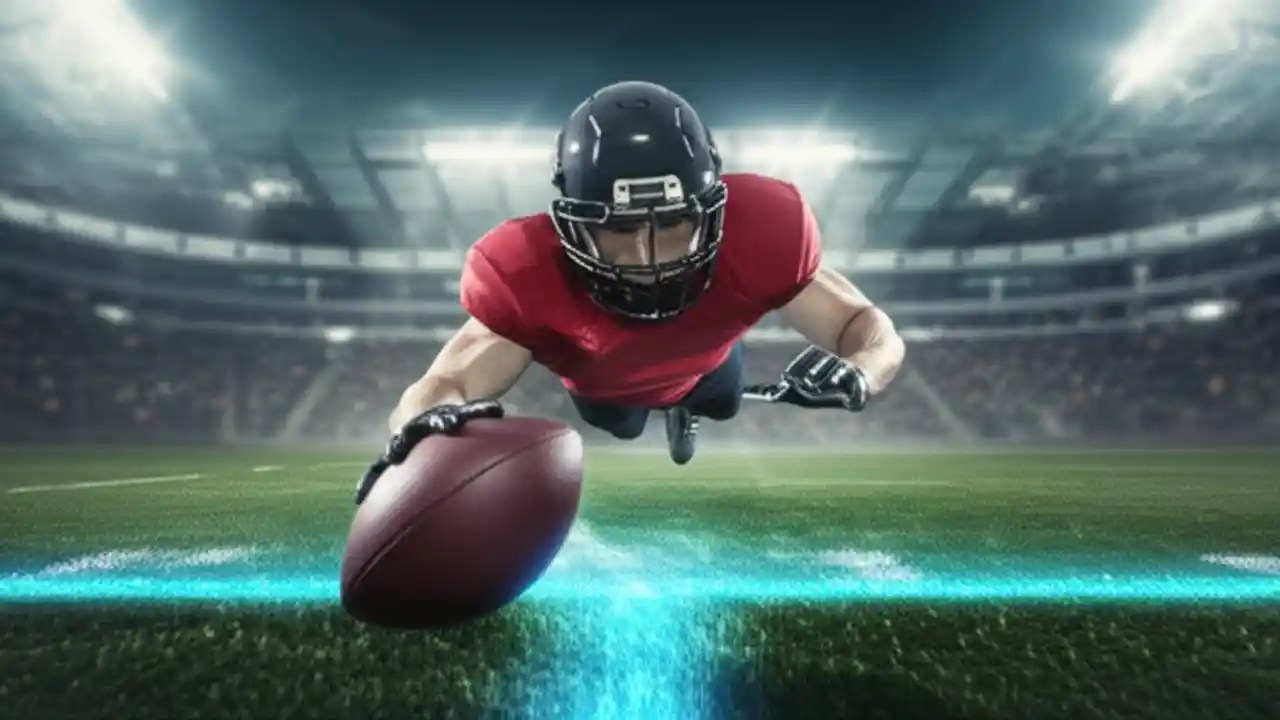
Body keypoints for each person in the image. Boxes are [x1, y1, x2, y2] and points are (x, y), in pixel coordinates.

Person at [355, 81, 905, 504]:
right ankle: (667, 408)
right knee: (620, 425)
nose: (648, 256)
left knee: (725, 401)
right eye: (619, 229)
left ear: (713, 211)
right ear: (573, 226)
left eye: (670, 223)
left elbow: (865, 325)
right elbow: (446, 381)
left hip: (706, 364)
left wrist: (863, 370)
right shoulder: (526, 273)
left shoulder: (764, 234)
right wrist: (421, 423)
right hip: (607, 388)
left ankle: (688, 407)